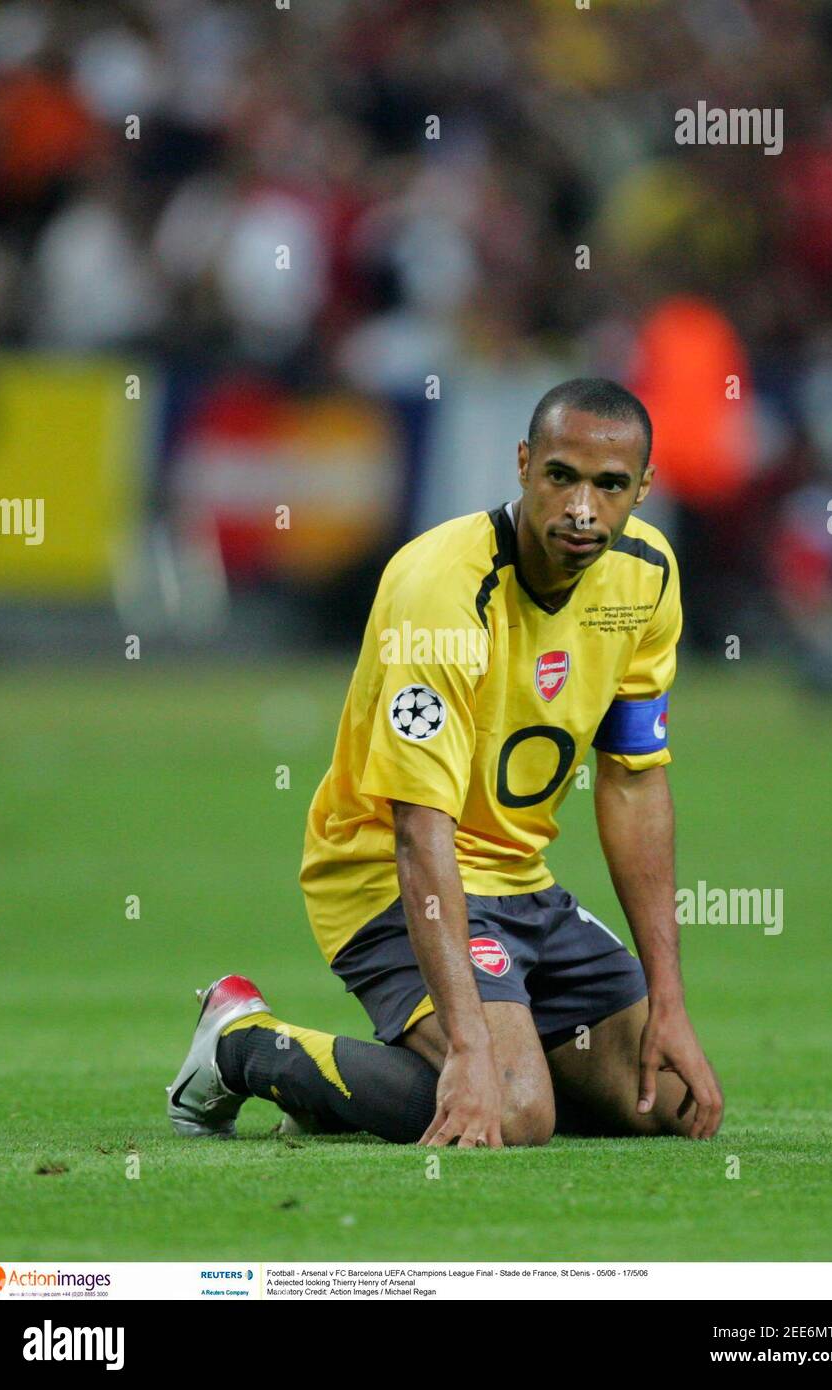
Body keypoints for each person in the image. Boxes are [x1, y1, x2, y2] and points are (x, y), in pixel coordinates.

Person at [167, 378, 723, 1147]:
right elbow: (418, 829)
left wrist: (669, 999)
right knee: (514, 1111)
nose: (583, 509)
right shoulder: (441, 590)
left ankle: (479, 1053)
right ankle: (241, 1044)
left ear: (643, 488)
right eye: (561, 476)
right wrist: (469, 1049)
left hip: (521, 885)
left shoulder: (647, 574)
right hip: (385, 874)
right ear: (524, 464)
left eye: (610, 485)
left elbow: (633, 781)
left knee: (666, 1100)